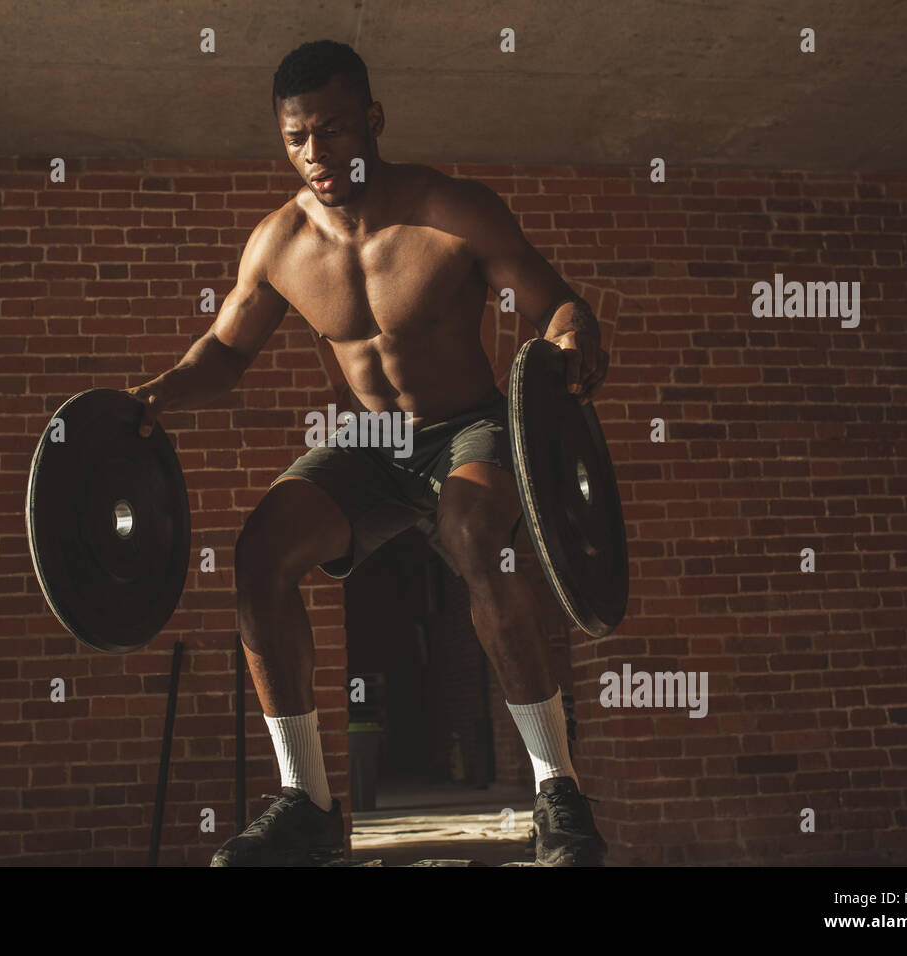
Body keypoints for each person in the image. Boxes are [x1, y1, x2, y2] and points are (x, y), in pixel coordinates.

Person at [125, 39, 610, 866]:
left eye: (332, 128)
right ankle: (306, 799)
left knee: (472, 536)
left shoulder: (452, 209)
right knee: (260, 552)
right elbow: (225, 354)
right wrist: (155, 395)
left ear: (372, 120)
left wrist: (572, 342)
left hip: (470, 424)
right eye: (295, 137)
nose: (314, 153)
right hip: (375, 443)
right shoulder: (277, 245)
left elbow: (555, 306)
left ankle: (556, 791)